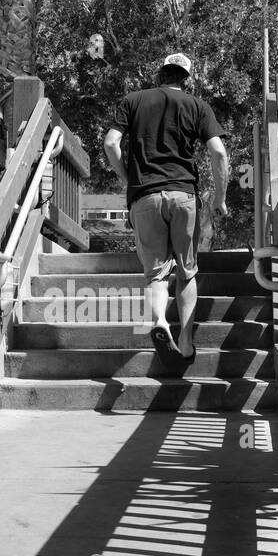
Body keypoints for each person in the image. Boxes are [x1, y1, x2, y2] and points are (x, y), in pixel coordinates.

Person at [103, 53, 229, 364]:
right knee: (187, 273)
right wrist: (220, 198)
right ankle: (185, 343)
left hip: (145, 197)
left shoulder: (133, 100)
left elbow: (110, 144)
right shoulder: (197, 106)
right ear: (186, 78)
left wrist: (130, 178)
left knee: (156, 275)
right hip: (184, 194)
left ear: (160, 73)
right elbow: (219, 153)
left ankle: (159, 320)